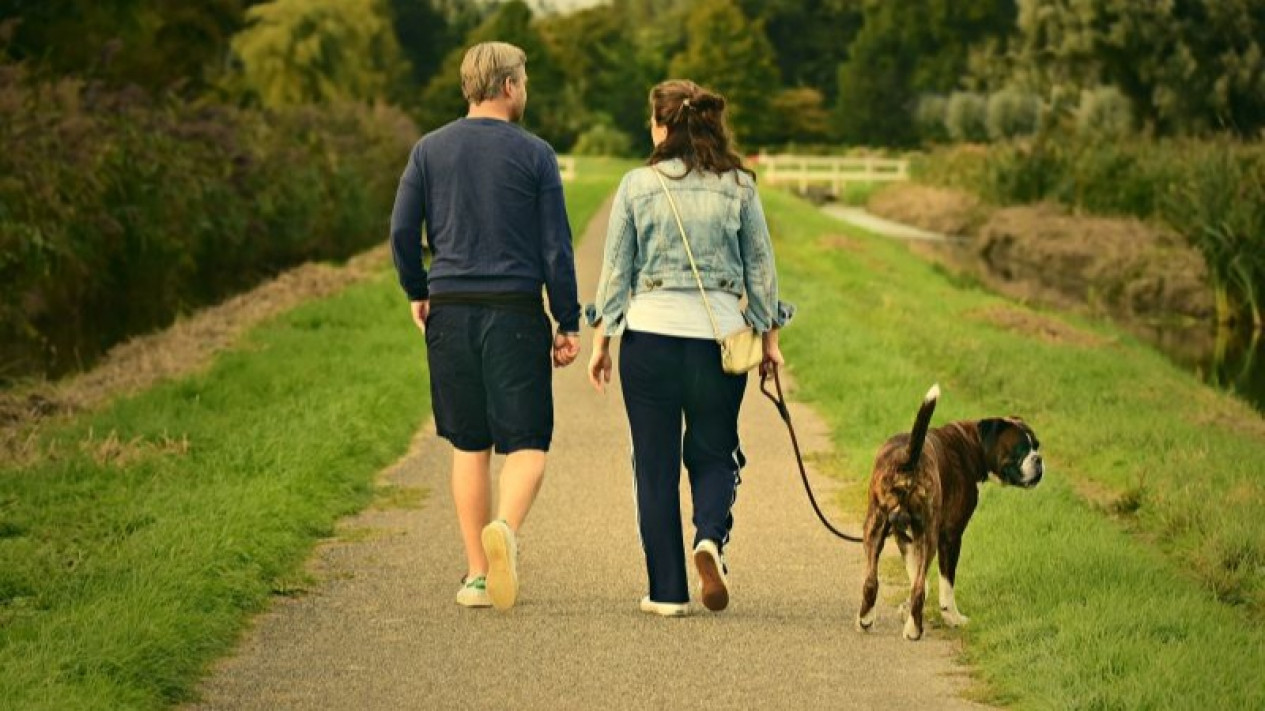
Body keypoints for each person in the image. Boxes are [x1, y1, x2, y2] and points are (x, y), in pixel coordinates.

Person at [585, 80, 794, 617]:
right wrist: (769, 342)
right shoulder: (740, 187)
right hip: (720, 342)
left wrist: (602, 342)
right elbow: (762, 273)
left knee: (653, 465)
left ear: (661, 126)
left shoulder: (636, 185)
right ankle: (710, 538)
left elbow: (616, 274)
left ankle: (667, 592)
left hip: (649, 339)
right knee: (715, 449)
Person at [389, 41, 581, 611]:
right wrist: (566, 320)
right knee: (526, 443)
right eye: (523, 81)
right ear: (507, 87)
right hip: (514, 312)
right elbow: (556, 247)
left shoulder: (428, 150)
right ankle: (506, 529)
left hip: (449, 307)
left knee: (469, 444)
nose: (525, 90)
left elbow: (402, 231)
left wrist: (417, 290)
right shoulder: (536, 155)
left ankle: (477, 574)